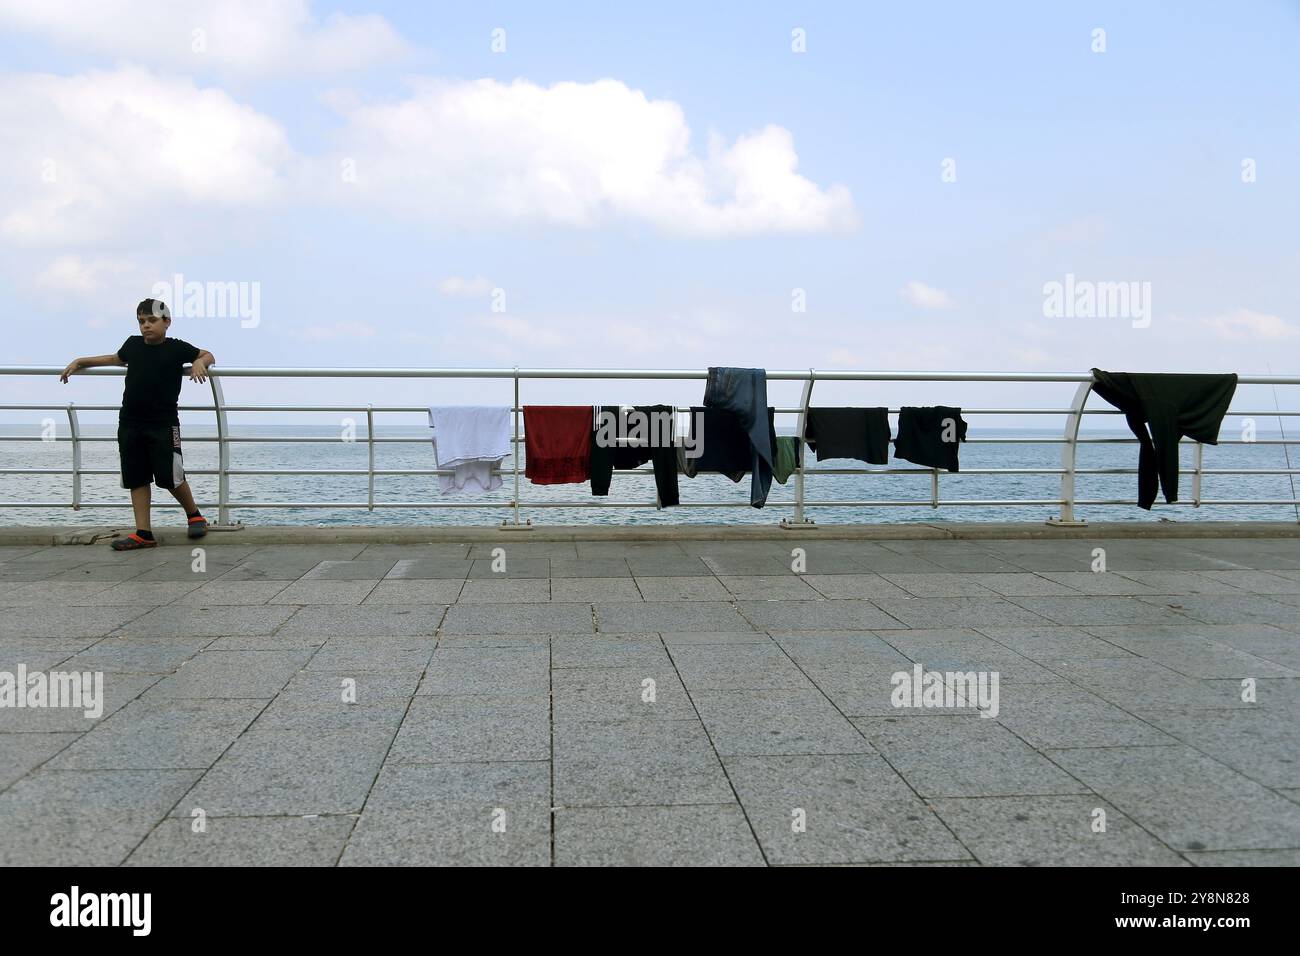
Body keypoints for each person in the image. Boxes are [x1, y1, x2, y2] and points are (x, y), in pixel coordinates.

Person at [60, 298, 216, 550]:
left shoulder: (176, 348)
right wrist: (81, 361)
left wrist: (199, 362)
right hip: (130, 422)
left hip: (163, 424)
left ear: (167, 322)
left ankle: (195, 515)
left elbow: (208, 354)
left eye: (152, 321)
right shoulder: (133, 344)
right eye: (141, 321)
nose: (146, 326)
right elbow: (114, 358)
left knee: (170, 476)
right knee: (137, 477)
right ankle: (143, 533)